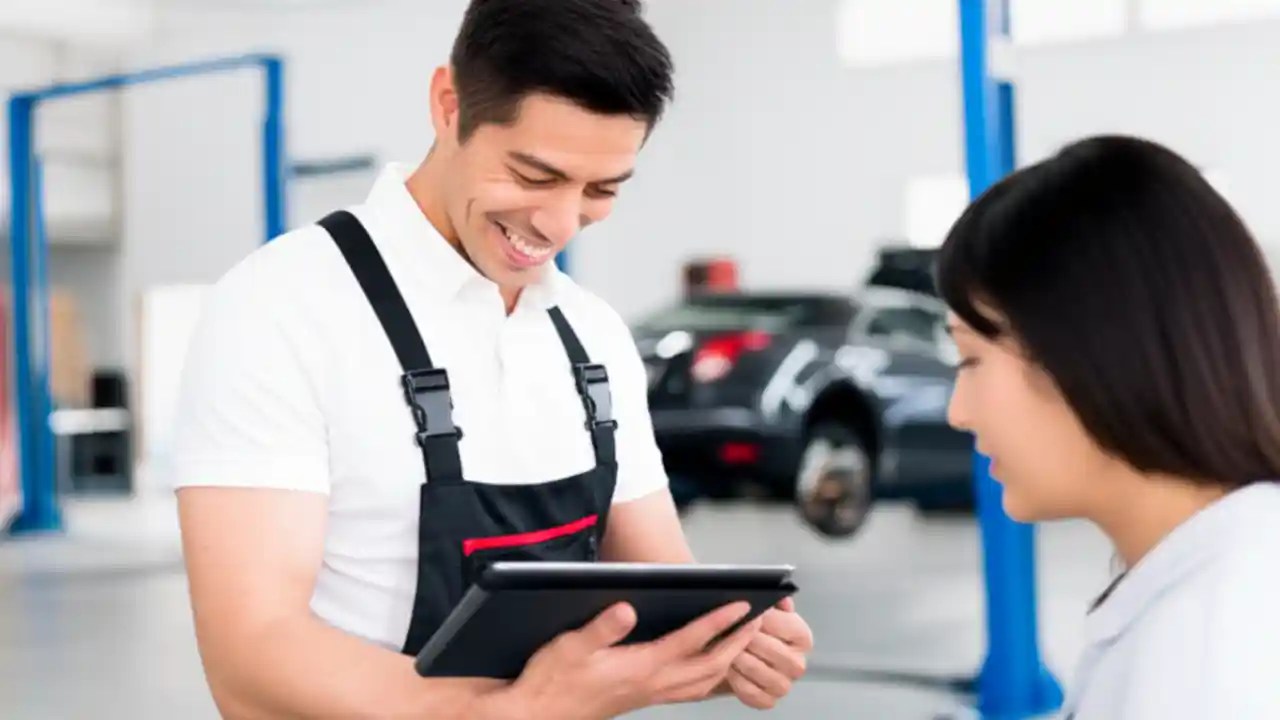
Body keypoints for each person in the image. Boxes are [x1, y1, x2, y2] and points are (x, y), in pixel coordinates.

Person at [168, 1, 813, 717]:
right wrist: (509, 713)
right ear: (449, 105)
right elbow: (252, 655)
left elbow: (665, 586)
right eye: (535, 175)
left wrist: (725, 647)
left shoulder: (590, 335)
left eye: (600, 190)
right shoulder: (280, 307)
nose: (560, 225)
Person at [938, 135, 1280, 719]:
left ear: (1088, 351)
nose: (957, 412)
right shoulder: (1218, 584)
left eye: (972, 360)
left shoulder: (1205, 662)